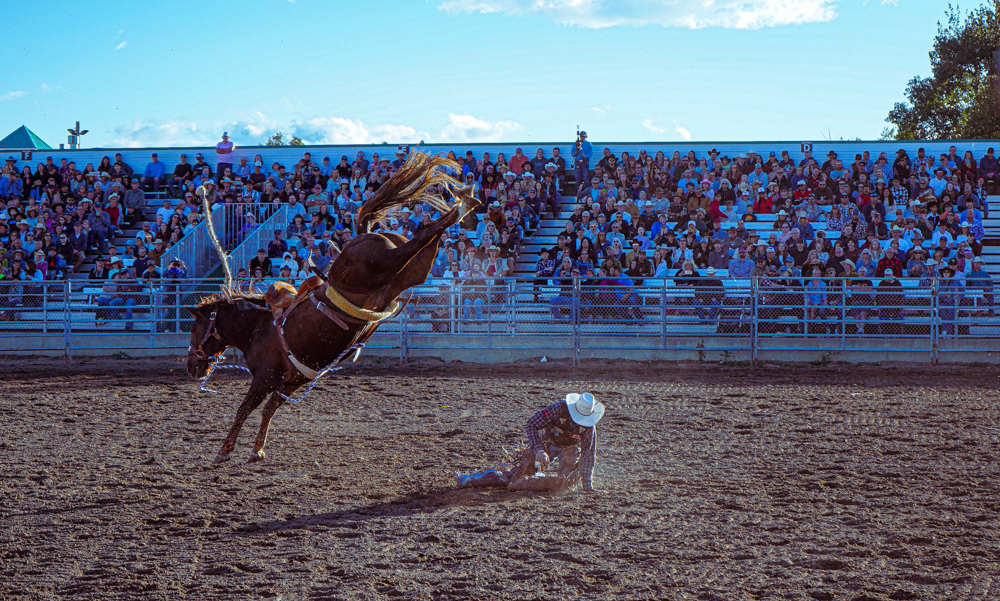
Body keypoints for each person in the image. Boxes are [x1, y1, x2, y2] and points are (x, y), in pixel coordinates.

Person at [455, 392, 604, 493]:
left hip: (570, 449)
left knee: (564, 484)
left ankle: (531, 483)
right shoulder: (558, 408)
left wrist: (587, 485)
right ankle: (470, 479)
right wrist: (539, 449)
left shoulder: (590, 427)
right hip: (547, 443)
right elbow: (532, 424)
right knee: (513, 478)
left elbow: (588, 453)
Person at [875, 268, 904, 335]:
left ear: (892, 275)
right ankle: (884, 331)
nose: (887, 277)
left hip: (895, 305)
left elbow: (901, 296)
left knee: (896, 315)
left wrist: (900, 305)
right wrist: (876, 304)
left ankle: (896, 332)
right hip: (884, 305)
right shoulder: (882, 283)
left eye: (889, 275)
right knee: (884, 315)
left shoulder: (897, 283)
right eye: (886, 275)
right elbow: (877, 296)